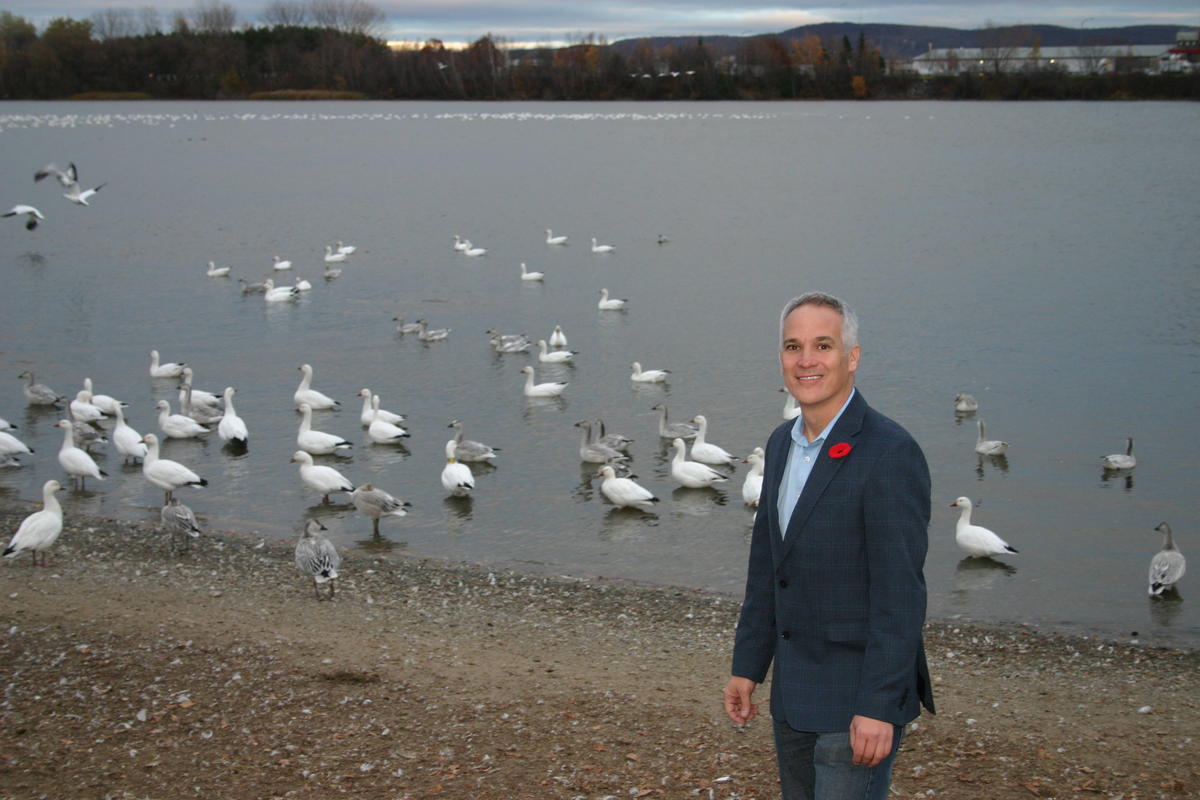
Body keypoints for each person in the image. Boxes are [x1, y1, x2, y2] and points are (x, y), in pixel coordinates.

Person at [723, 292, 934, 799]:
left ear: (852, 356)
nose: (806, 360)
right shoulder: (780, 444)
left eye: (823, 345)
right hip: (794, 693)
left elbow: (900, 594)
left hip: (855, 699)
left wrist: (879, 705)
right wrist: (748, 666)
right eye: (793, 346)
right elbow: (768, 567)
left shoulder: (889, 453)